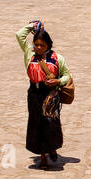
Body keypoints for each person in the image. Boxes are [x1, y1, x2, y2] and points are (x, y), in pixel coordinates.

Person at [16, 19, 72, 169]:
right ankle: (43, 157)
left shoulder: (57, 58)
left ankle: (52, 148)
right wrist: (33, 26)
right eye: (36, 44)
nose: (39, 47)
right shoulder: (29, 53)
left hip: (50, 94)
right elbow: (19, 35)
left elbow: (67, 75)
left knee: (51, 123)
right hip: (34, 93)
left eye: (42, 45)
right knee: (37, 123)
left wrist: (58, 81)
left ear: (48, 45)